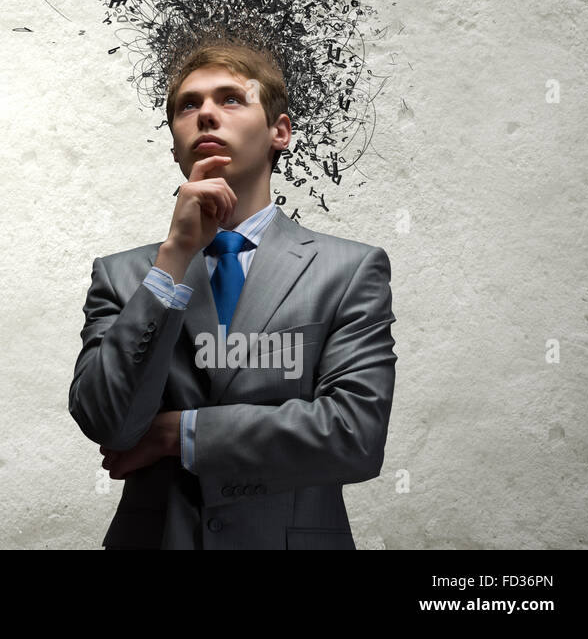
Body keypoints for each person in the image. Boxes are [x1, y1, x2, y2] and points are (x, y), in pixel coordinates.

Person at [68, 29, 396, 548]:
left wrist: (181, 434)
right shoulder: (122, 275)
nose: (205, 114)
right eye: (187, 105)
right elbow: (108, 421)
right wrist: (174, 258)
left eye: (231, 99)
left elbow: (354, 435)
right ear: (175, 139)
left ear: (279, 132)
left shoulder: (349, 270)